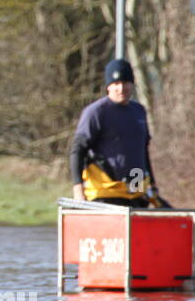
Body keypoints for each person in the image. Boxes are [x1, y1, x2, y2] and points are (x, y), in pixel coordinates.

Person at [69, 58, 160, 206]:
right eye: (116, 84)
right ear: (108, 87)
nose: (121, 88)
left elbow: (142, 151)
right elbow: (77, 151)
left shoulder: (139, 112)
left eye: (125, 83)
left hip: (135, 191)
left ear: (132, 84)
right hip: (105, 193)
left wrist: (153, 184)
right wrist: (78, 188)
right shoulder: (96, 112)